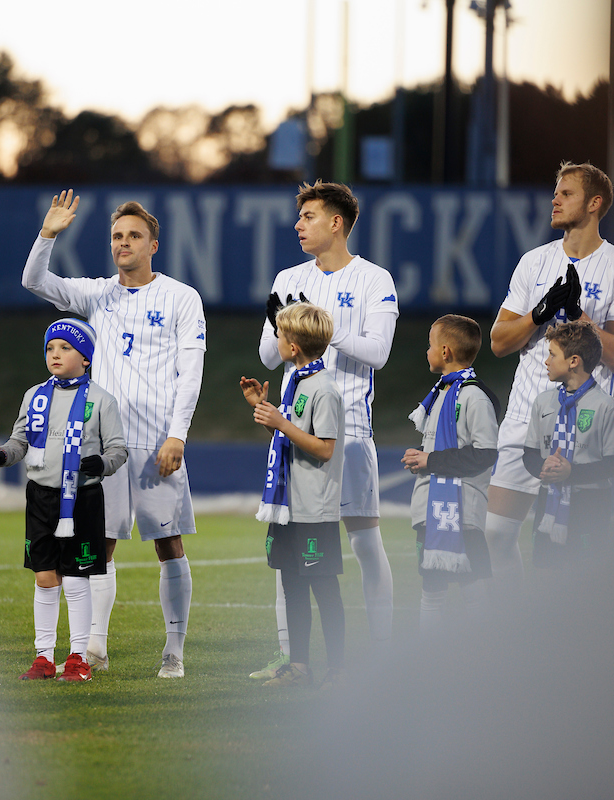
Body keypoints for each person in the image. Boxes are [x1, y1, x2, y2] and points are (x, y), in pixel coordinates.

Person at [21, 191, 204, 678]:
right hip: (103, 447)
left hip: (156, 443)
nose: (123, 243)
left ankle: (174, 650)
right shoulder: (96, 293)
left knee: (168, 543)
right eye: (117, 236)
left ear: (153, 245)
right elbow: (33, 280)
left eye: (134, 236)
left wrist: (177, 435)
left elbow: (192, 372)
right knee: (97, 545)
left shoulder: (182, 298)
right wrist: (48, 234)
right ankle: (95, 649)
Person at [253, 181, 398, 679]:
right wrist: (280, 323)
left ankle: (383, 652)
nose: (298, 225)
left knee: (363, 542)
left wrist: (318, 323)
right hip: (297, 432)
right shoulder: (288, 276)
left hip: (351, 430)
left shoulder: (375, 279)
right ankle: (289, 656)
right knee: (289, 546)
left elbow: (379, 352)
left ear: (336, 222)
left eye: (309, 216)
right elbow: (267, 356)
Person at [487, 162, 614, 587]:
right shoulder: (534, 262)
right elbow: (499, 342)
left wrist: (578, 314)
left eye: (566, 193)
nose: (554, 200)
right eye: (555, 191)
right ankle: (517, 633)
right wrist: (540, 312)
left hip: (584, 428)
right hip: (524, 419)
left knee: (572, 552)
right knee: (497, 535)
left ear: (595, 204)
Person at [0, 319, 127, 682]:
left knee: (76, 579)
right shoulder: (35, 396)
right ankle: (43, 658)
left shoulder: (101, 401)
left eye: (65, 348)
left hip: (82, 498)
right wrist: (2, 455)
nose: (55, 354)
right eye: (50, 348)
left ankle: (78, 658)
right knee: (45, 577)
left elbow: (118, 451)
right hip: (41, 498)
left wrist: (101, 464)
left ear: (86, 359)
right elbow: (20, 442)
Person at [240, 302, 345, 688]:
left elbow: (324, 448)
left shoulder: (324, 389)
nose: (277, 340)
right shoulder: (297, 382)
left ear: (295, 345)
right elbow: (290, 441)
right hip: (288, 508)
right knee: (293, 586)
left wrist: (280, 420)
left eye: (280, 335)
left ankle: (340, 671)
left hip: (313, 508)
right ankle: (299, 667)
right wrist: (266, 413)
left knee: (324, 589)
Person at [401, 315, 499, 629]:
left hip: (463, 512)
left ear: (445, 352)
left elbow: (484, 454)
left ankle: (483, 657)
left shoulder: (474, 396)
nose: (426, 351)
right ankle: (429, 665)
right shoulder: (441, 393)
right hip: (429, 511)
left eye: (430, 345)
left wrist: (431, 462)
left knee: (472, 589)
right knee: (432, 590)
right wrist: (422, 458)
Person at [522, 321, 614, 568]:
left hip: (590, 506)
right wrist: (542, 466)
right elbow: (529, 455)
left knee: (584, 581)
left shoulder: (606, 406)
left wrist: (571, 473)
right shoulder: (543, 402)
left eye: (552, 354)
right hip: (549, 500)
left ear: (574, 361)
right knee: (544, 576)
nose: (546, 361)